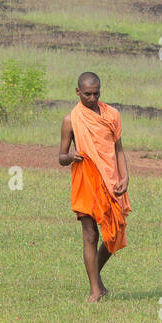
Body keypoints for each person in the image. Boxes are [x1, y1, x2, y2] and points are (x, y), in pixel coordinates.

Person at [59, 72, 131, 301]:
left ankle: (96, 279)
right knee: (90, 234)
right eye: (87, 93)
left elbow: (118, 148)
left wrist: (125, 176)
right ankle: (95, 290)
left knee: (115, 232)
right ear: (78, 92)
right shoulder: (71, 120)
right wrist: (70, 156)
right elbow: (61, 156)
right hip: (85, 180)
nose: (92, 97)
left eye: (96, 93)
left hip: (110, 180)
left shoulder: (112, 115)